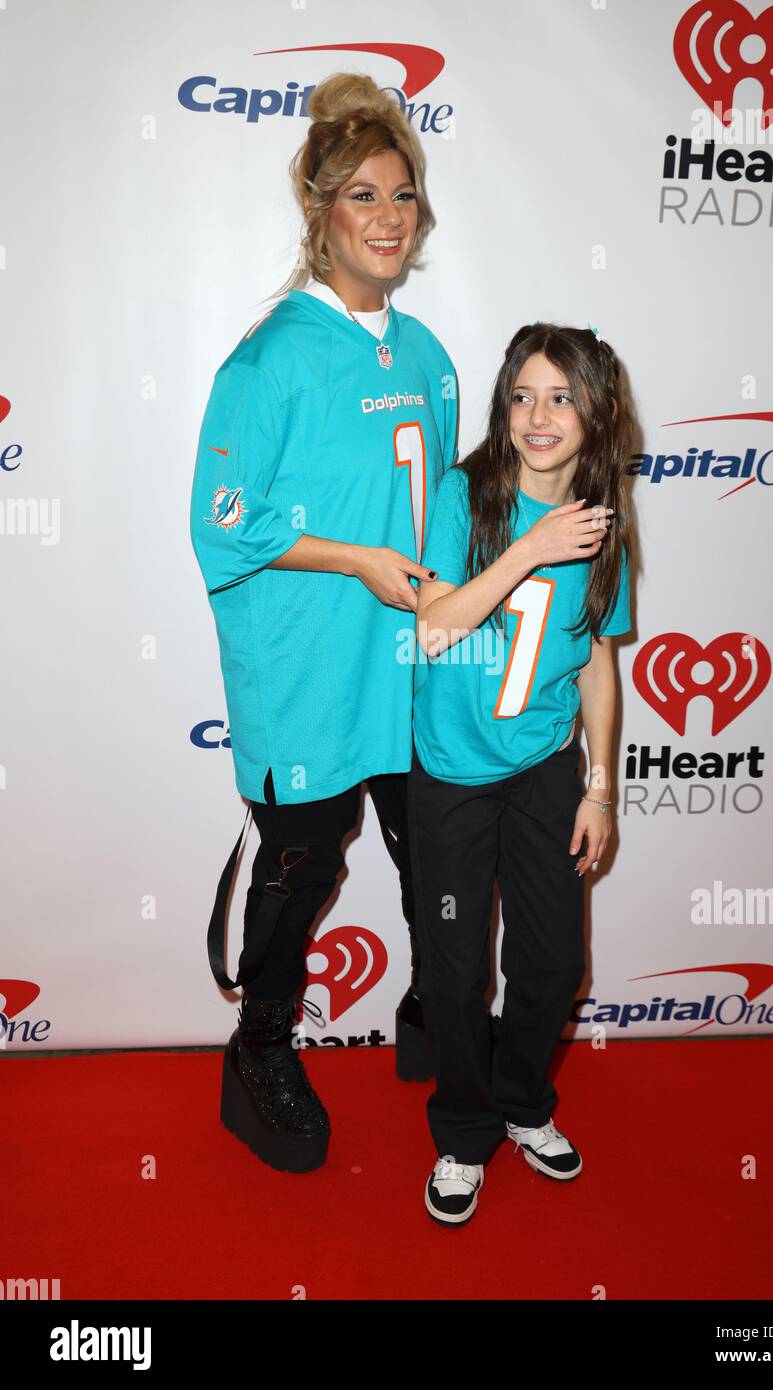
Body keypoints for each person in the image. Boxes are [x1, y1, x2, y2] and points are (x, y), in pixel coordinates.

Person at [189, 73, 458, 1174]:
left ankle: (437, 1016)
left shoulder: (431, 356)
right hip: (305, 680)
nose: (388, 219)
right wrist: (351, 558)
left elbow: (448, 510)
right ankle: (258, 1050)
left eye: (402, 196)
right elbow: (224, 524)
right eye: (362, 197)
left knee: (434, 854)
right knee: (298, 876)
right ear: (319, 214)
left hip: (408, 674)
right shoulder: (267, 361)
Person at [408, 323, 634, 1224]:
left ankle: (520, 1105)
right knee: (458, 971)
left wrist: (601, 785)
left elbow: (597, 663)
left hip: (546, 771)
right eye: (523, 395)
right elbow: (434, 626)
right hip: (455, 775)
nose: (539, 416)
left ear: (595, 410)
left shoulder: (601, 517)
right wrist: (531, 549)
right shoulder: (466, 496)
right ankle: (463, 1132)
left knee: (551, 965)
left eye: (561, 396)